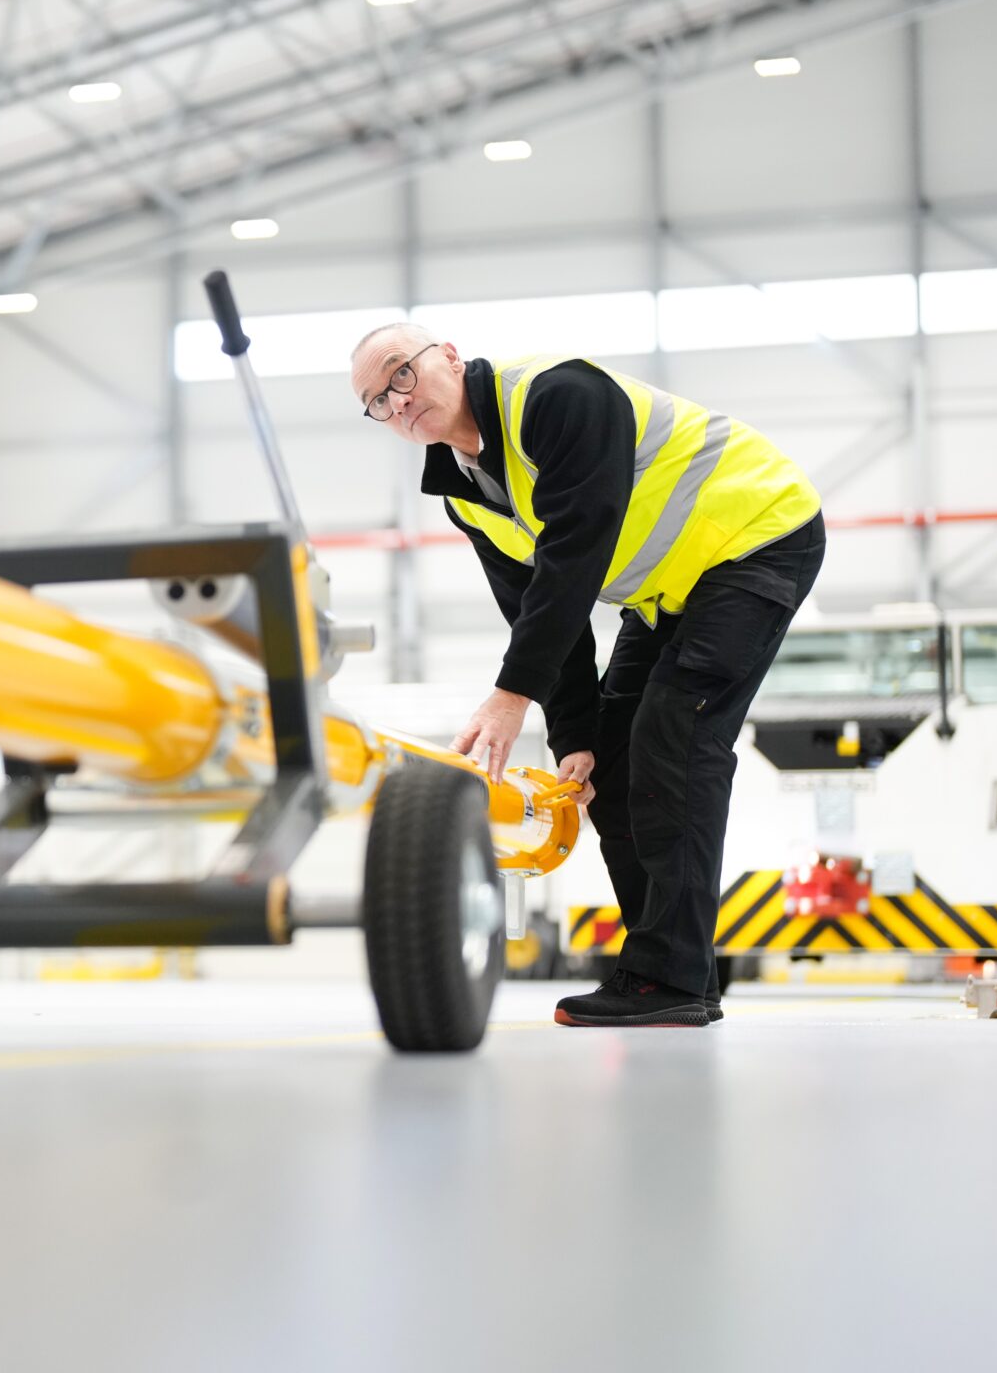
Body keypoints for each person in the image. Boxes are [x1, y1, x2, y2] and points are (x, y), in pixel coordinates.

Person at [348, 324, 823, 1027]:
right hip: (667, 591)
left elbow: (576, 552)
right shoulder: (463, 490)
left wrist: (512, 697)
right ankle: (667, 974)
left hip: (755, 537)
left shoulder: (555, 397)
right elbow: (534, 606)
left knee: (676, 736)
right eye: (376, 402)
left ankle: (670, 979)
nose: (396, 402)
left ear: (448, 355)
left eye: (400, 375)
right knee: (609, 766)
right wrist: (573, 731)